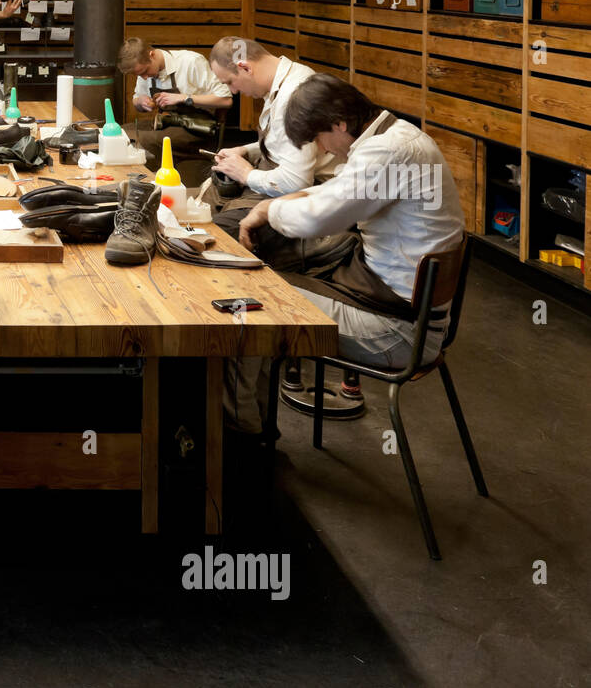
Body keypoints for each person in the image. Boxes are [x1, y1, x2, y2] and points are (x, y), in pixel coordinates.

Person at [225, 74, 464, 439]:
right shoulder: (398, 135)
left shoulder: (388, 152)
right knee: (272, 281)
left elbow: (323, 216)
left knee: (246, 306)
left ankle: (242, 440)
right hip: (406, 312)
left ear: (339, 124)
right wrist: (273, 204)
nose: (323, 150)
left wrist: (266, 212)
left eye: (319, 139)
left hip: (396, 332)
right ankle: (255, 427)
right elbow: (337, 192)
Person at [206, 37, 331, 264]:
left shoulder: (294, 96)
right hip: (284, 182)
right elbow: (283, 142)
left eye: (231, 82)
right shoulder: (287, 77)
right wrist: (244, 150)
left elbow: (297, 183)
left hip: (311, 194)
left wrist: (246, 174)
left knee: (213, 236)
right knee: (204, 206)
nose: (233, 91)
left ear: (244, 67)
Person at [116, 38, 232, 175]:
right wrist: (140, 101)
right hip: (167, 123)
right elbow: (136, 100)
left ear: (151, 55)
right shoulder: (144, 72)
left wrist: (185, 98)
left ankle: (152, 181)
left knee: (142, 140)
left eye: (145, 72)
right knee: (120, 133)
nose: (145, 78)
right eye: (140, 75)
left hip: (198, 128)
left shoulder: (191, 62)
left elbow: (226, 100)